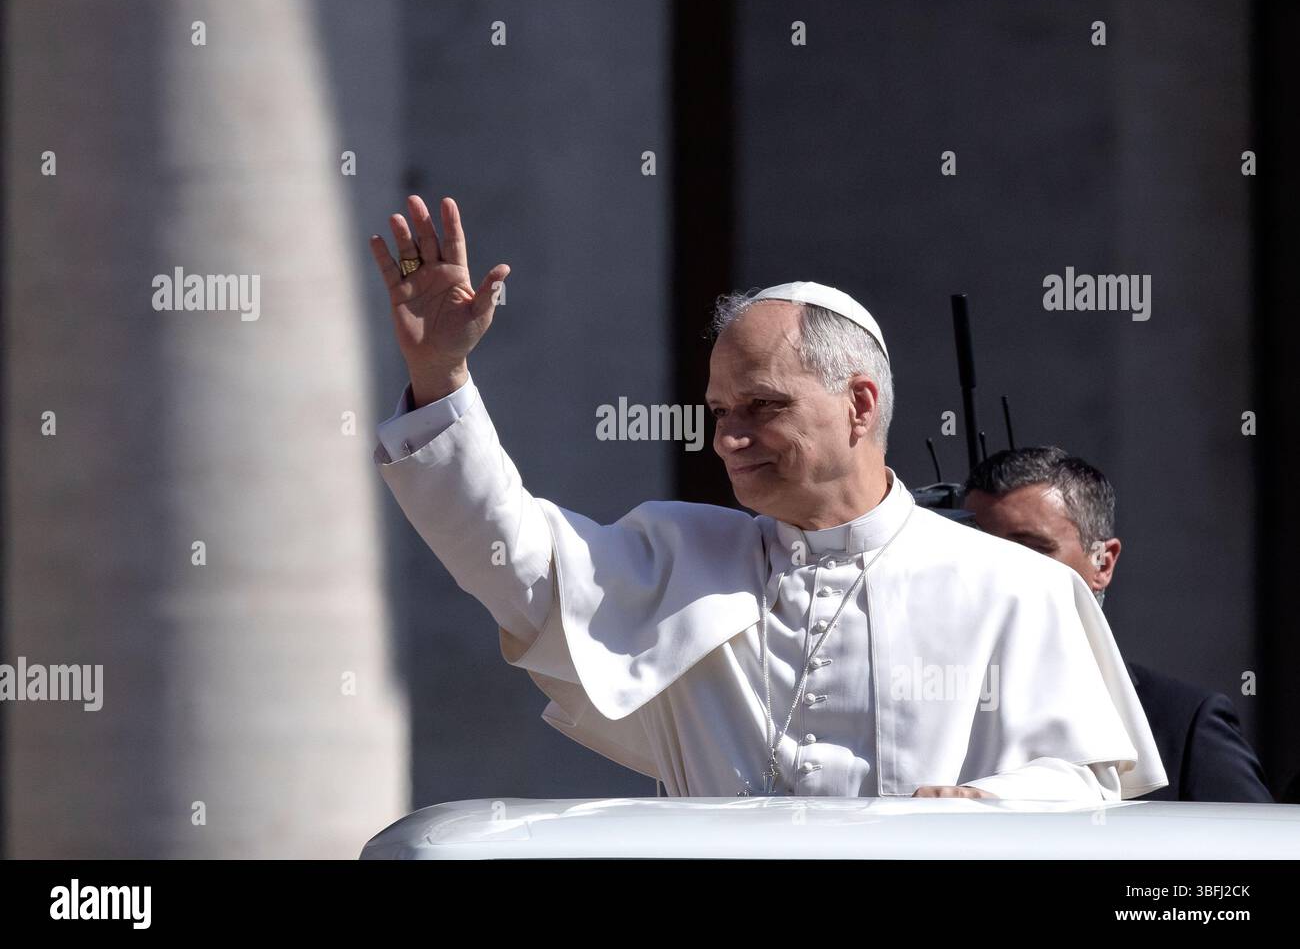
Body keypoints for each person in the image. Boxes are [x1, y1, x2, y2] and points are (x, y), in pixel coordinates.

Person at [366, 193, 1168, 800]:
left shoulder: (1015, 588)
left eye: (764, 408)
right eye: (719, 413)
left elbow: (1080, 792)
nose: (727, 439)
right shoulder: (675, 558)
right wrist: (441, 377)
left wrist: (975, 810)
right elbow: (509, 557)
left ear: (858, 405)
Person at [962, 446, 1272, 802]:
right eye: (980, 550)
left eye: (1032, 550)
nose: (999, 571)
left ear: (1103, 563)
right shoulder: (932, 697)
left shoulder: (1185, 726)